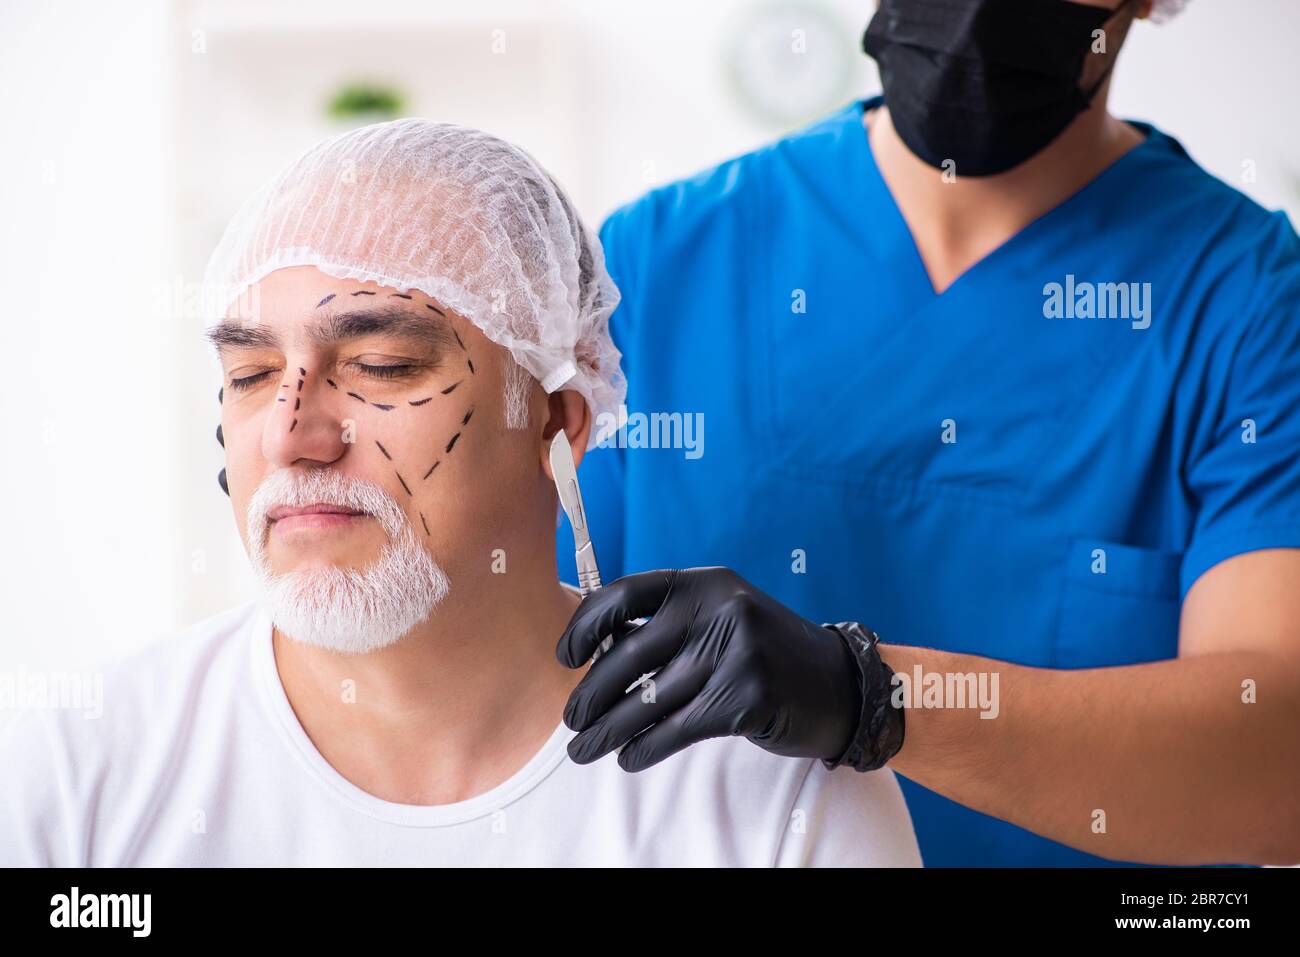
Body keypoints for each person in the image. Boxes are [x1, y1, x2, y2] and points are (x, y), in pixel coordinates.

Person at [0, 120, 921, 867]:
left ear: (558, 421)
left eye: (382, 365)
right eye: (250, 373)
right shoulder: (82, 765)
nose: (290, 432)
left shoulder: (766, 790)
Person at [555, 0, 1300, 866]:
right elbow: (523, 668)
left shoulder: (1246, 304)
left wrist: (872, 695)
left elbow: (1274, 757)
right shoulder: (653, 267)